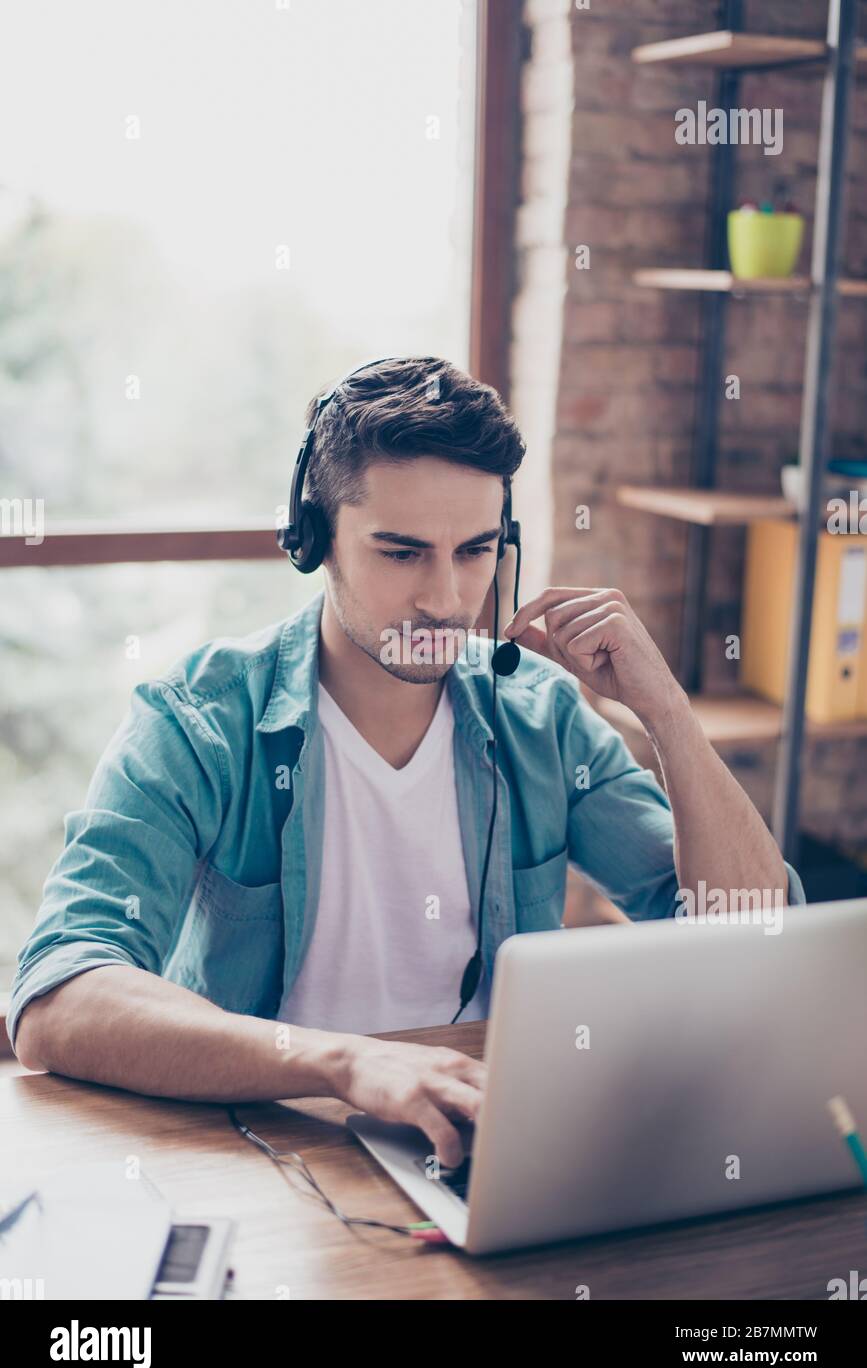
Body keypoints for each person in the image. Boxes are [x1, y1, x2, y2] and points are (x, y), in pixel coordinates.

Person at [10, 356, 803, 1168]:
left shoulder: (541, 718)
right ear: (313, 538)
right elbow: (57, 997)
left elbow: (745, 934)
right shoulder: (198, 722)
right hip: (262, 1151)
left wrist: (666, 712)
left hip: (478, 1144)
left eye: (475, 551)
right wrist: (347, 1060)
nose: (448, 599)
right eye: (401, 553)